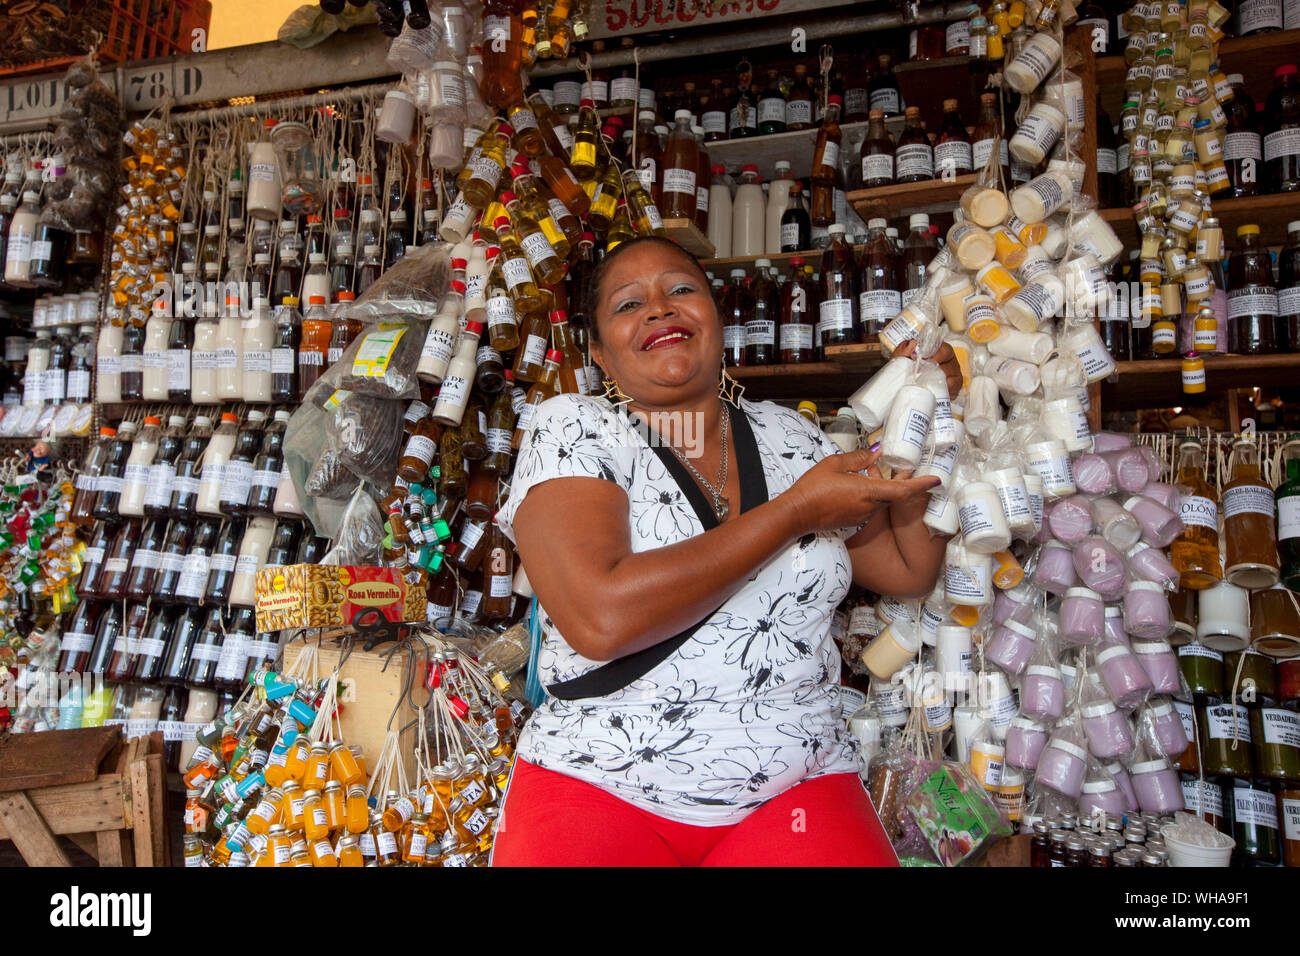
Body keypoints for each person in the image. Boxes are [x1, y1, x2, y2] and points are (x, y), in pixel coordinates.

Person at [493, 236, 961, 866]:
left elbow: (907, 570)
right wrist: (793, 513)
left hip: (796, 783)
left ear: (716, 317)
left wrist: (919, 423)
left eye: (681, 289)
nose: (660, 308)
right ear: (600, 353)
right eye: (630, 304)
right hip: (600, 781)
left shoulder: (792, 436)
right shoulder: (575, 427)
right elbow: (600, 618)